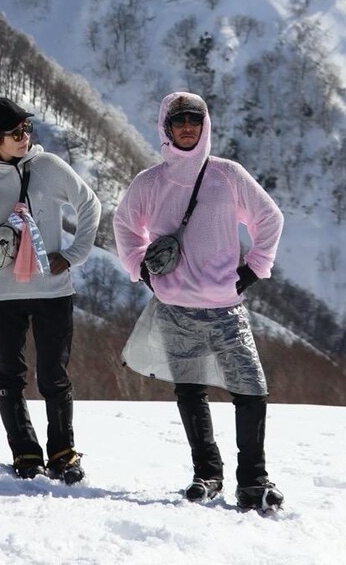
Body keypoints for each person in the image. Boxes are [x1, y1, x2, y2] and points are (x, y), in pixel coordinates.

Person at [112, 91, 286, 511]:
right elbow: (124, 224)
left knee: (251, 391)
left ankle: (253, 481)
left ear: (205, 125)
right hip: (176, 308)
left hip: (226, 307)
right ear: (165, 128)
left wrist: (253, 270)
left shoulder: (227, 175)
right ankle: (207, 474)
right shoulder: (150, 182)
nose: (187, 126)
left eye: (195, 118)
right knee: (191, 391)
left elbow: (270, 219)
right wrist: (142, 270)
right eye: (179, 120)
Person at [0, 97, 102, 482]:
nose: (25, 136)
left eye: (28, 128)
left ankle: (63, 454)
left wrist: (75, 254)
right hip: (2, 296)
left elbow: (89, 204)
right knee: (10, 378)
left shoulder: (48, 166)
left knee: (54, 376)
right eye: (15, 132)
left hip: (53, 291)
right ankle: (26, 455)